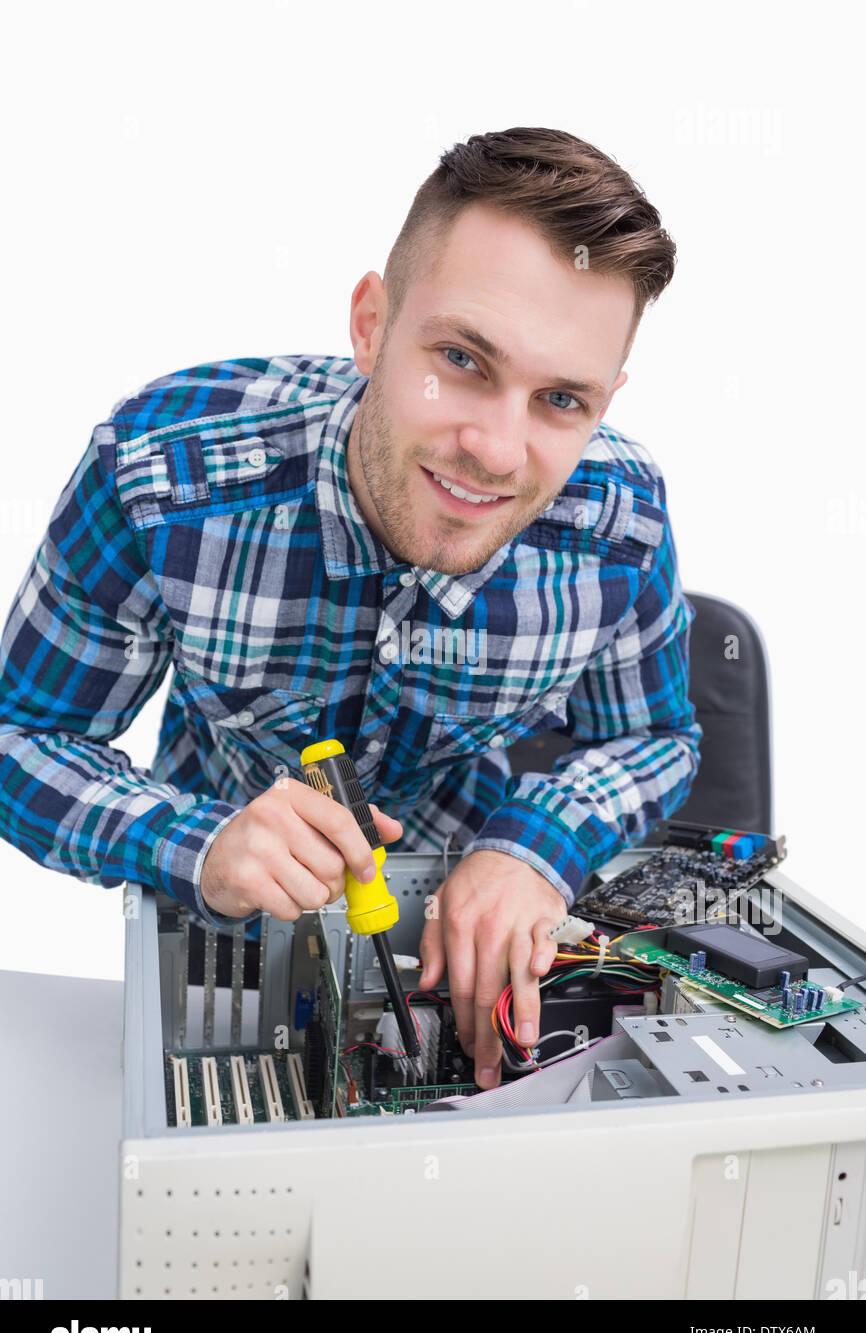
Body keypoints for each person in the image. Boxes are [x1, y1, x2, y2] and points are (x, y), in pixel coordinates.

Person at [0, 127, 701, 1089]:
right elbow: (21, 735)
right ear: (371, 324)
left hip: (463, 956)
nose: (498, 451)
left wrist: (535, 849)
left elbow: (656, 738)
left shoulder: (622, 521)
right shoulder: (161, 472)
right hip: (222, 945)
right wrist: (195, 843)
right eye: (462, 358)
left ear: (607, 400)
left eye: (562, 400)